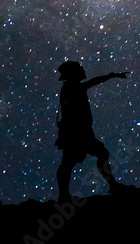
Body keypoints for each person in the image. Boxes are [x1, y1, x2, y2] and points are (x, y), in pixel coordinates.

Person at [54, 61, 128, 203]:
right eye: (79, 69)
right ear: (73, 73)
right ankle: (112, 186)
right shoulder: (72, 88)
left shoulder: (72, 87)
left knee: (69, 163)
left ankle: (64, 196)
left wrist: (112, 75)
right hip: (77, 133)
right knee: (77, 160)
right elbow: (71, 109)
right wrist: (112, 75)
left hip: (76, 132)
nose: (83, 70)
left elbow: (92, 82)